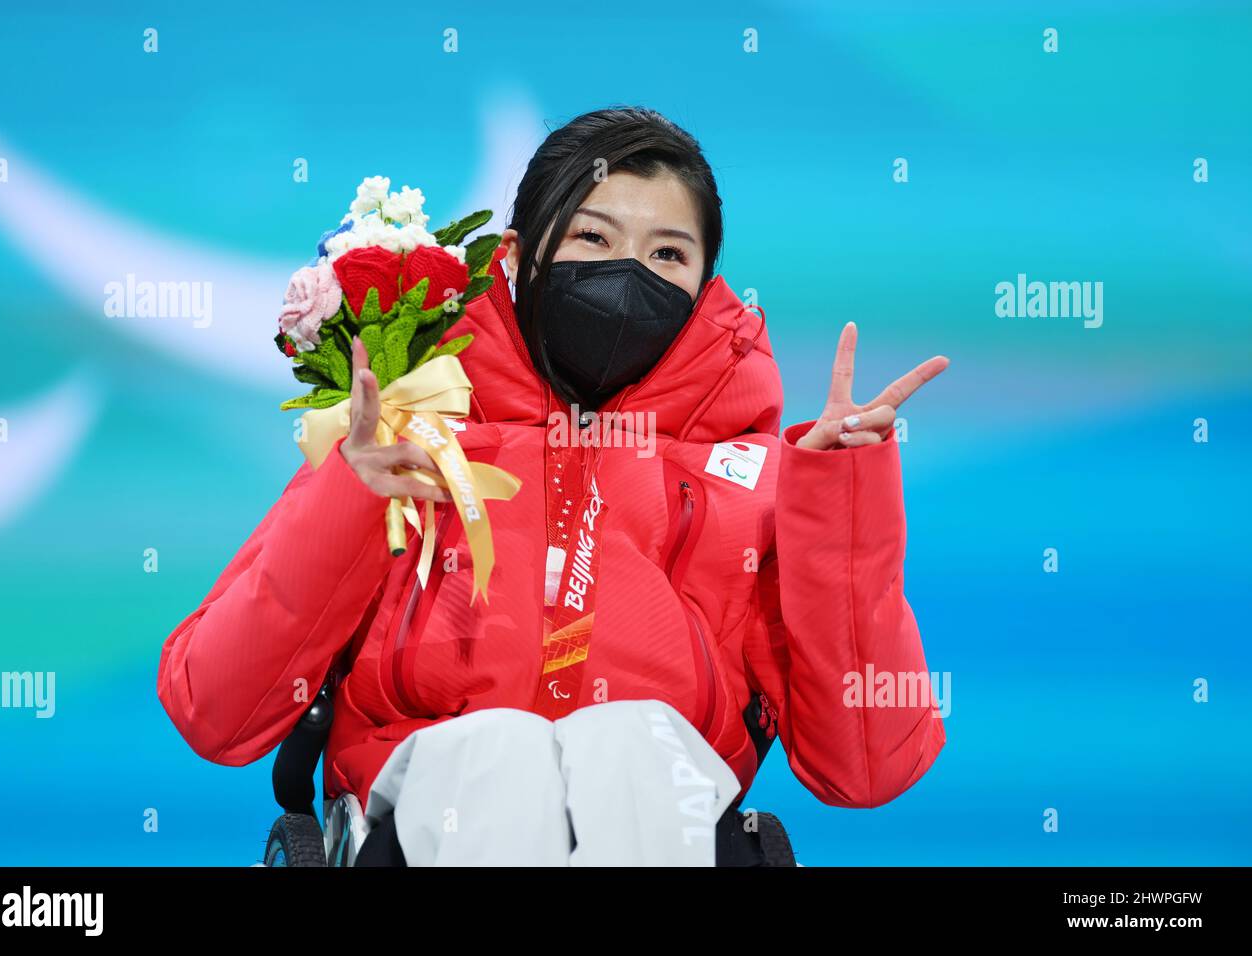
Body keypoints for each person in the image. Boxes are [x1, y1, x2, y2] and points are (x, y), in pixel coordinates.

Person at [156, 105, 950, 866]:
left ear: (708, 286)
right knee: (498, 753)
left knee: (633, 743)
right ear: (514, 256)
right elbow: (215, 712)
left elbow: (867, 769)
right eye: (593, 237)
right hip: (420, 820)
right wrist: (350, 499)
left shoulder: (751, 488)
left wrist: (839, 498)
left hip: (661, 818)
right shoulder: (405, 443)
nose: (628, 273)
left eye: (667, 254)